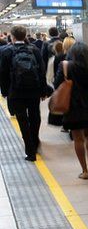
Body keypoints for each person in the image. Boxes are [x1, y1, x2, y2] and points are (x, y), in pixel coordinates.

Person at [54, 42, 88, 179]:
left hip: (72, 107)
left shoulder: (65, 66)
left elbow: (56, 85)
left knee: (78, 138)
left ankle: (84, 171)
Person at [0, 25, 50, 161]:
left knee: (22, 120)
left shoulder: (7, 51)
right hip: (33, 90)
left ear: (12, 36)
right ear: (25, 35)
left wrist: (4, 91)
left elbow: (3, 74)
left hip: (16, 92)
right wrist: (43, 90)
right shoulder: (34, 50)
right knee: (35, 117)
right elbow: (41, 72)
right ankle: (35, 141)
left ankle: (30, 151)